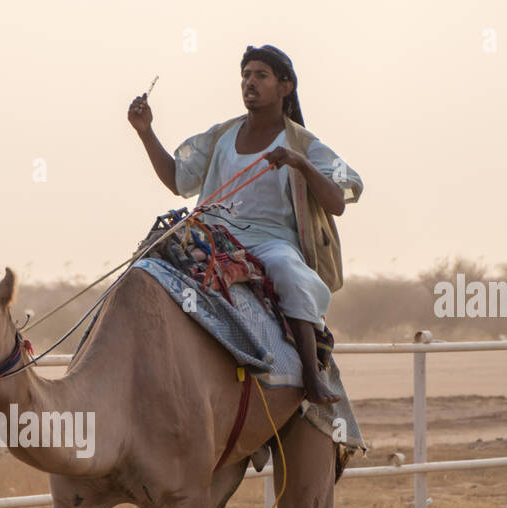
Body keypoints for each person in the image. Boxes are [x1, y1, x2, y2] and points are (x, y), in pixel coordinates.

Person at [128, 44, 363, 405]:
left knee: (287, 270)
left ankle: (311, 376)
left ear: (285, 87)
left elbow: (338, 200)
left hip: (271, 242)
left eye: (260, 75)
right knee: (149, 260)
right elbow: (178, 180)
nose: (249, 82)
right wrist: (146, 132)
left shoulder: (301, 142)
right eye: (245, 75)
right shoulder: (221, 136)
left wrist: (300, 163)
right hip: (212, 234)